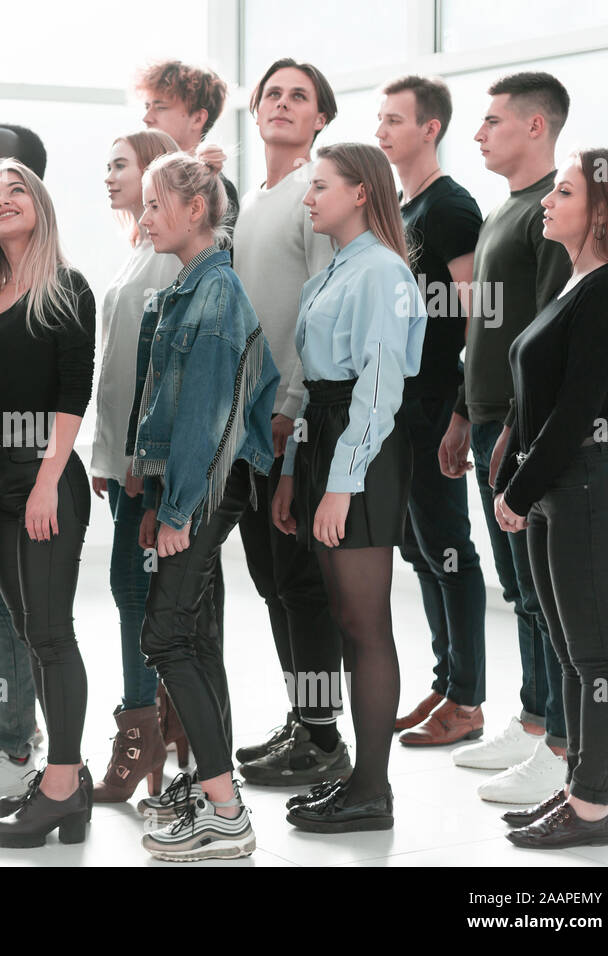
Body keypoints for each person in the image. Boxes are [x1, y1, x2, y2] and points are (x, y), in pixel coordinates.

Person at [495, 149, 608, 849]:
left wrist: (518, 492)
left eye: (563, 192)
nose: (547, 203)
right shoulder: (575, 281)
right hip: (560, 484)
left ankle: (592, 809)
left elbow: (579, 404)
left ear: (603, 210)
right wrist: (512, 461)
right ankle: (579, 793)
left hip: (588, 486)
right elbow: (543, 392)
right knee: (571, 657)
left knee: (599, 660)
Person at [129, 151, 280, 861]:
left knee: (167, 638)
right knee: (186, 635)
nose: (144, 215)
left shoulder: (216, 296)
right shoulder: (189, 287)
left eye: (156, 204)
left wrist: (182, 509)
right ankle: (210, 790)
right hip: (189, 491)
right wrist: (160, 498)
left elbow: (210, 421)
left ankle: (225, 812)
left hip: (209, 491)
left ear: (196, 209)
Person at [272, 142, 426, 833]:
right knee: (344, 618)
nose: (309, 199)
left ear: (361, 192)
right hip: (323, 448)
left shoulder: (384, 273)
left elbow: (379, 390)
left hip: (359, 455)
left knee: (367, 626)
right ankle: (359, 784)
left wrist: (341, 485)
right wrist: (290, 478)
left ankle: (371, 790)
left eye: (321, 187)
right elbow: (312, 390)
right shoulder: (333, 271)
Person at [0, 159, 96, 849]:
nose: (2, 201)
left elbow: (73, 393)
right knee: (24, 633)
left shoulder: (66, 287)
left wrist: (45, 480)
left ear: (38, 204)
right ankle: (63, 779)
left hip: (47, 481)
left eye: (15, 191)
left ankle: (64, 784)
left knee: (50, 633)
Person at [439, 72, 573, 806]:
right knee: (519, 589)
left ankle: (558, 741)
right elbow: (482, 332)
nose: (481, 133)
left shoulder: (553, 211)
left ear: (535, 127)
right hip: (488, 417)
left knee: (540, 592)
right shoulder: (504, 211)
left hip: (519, 426)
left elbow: (550, 335)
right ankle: (529, 724)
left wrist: (517, 428)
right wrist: (464, 414)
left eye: (492, 121)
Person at [230, 58, 350, 788]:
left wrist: (293, 411)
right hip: (250, 424)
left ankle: (324, 735)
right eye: (271, 93)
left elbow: (322, 309)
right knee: (274, 583)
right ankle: (303, 722)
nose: (282, 103)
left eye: (298, 96)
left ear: (319, 119)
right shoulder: (255, 199)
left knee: (301, 586)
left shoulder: (313, 191)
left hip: (290, 422)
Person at [375, 75, 489, 747]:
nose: (382, 129)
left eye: (395, 119)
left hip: (437, 402)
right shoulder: (399, 205)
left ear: (430, 129)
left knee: (449, 548)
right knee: (420, 548)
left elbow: (480, 315)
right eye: (379, 118)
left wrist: (463, 414)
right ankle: (448, 682)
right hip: (402, 404)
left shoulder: (450, 208)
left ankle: (469, 701)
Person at [87, 128, 181, 803]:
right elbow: (116, 370)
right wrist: (105, 454)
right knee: (133, 593)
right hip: (125, 464)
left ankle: (143, 727)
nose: (108, 175)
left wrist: (144, 465)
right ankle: (158, 727)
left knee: (139, 594)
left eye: (119, 165)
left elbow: (168, 376)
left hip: (153, 467)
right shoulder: (134, 252)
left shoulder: (172, 258)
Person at [135, 59, 240, 235]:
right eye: (147, 106)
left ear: (198, 119)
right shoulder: (150, 181)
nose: (147, 117)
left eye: (160, 107)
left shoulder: (216, 189)